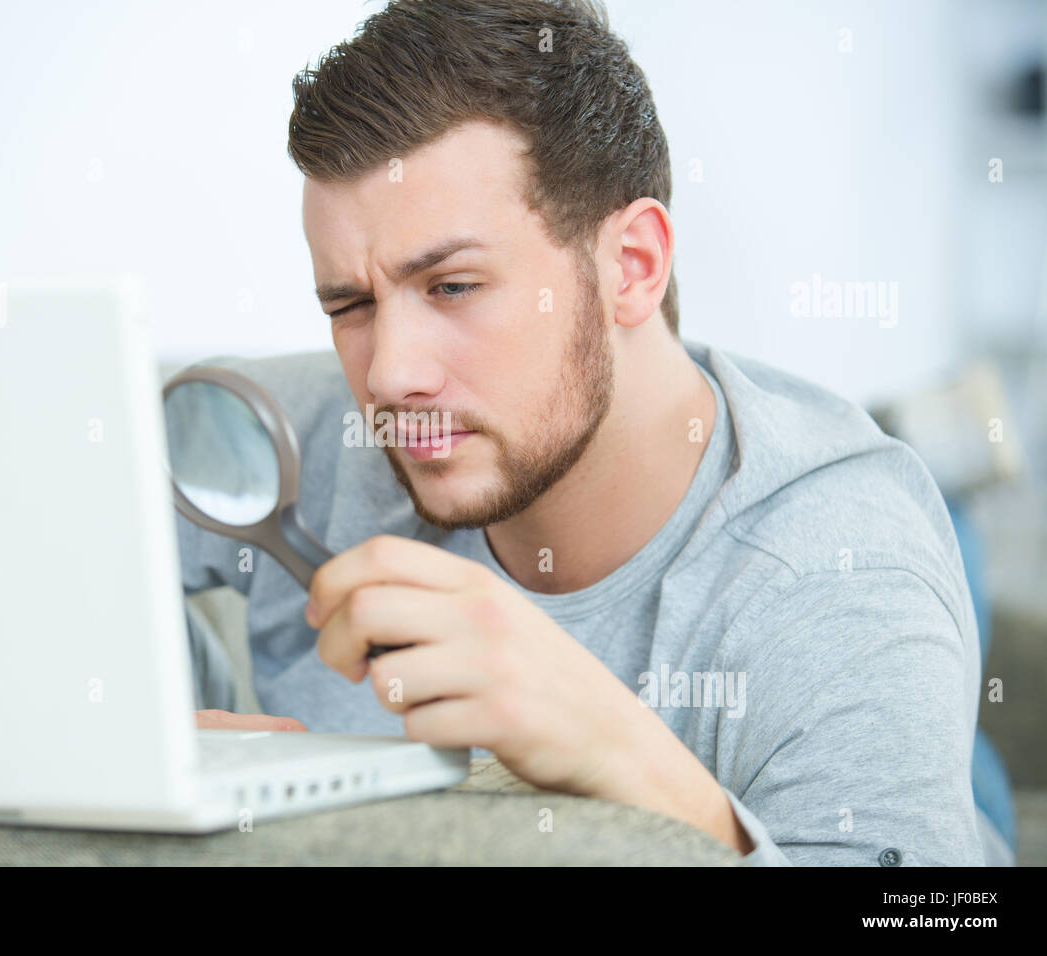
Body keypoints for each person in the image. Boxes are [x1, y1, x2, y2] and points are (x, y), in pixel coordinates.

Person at [183, 0, 985, 865]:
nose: (387, 375)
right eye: (350, 305)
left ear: (632, 267)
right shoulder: (285, 434)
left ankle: (933, 461)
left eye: (452, 287)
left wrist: (624, 757)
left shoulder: (842, 573)